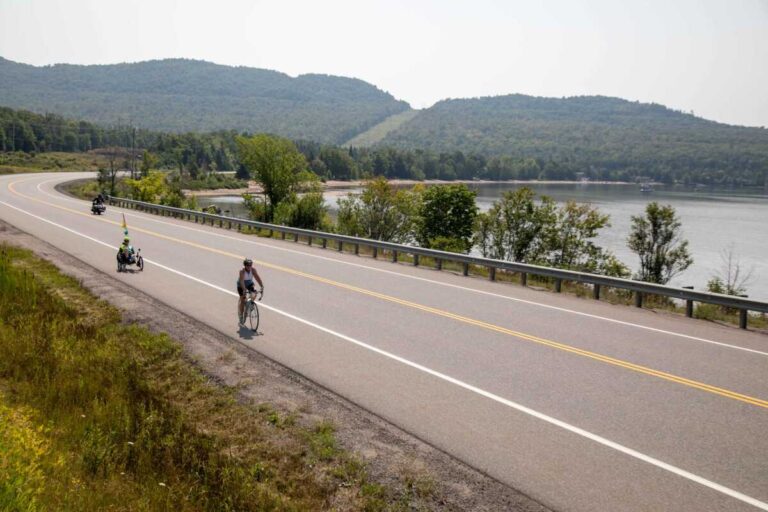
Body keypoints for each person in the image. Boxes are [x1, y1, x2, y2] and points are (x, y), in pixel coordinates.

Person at [237, 258, 264, 325]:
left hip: (249, 283)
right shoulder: (242, 271)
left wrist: (262, 286)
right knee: (242, 299)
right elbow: (241, 281)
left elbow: (257, 277)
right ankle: (241, 315)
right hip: (241, 285)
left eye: (250, 265)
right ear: (245, 265)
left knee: (254, 293)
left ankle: (250, 304)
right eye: (248, 265)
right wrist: (244, 289)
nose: (249, 267)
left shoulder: (253, 270)